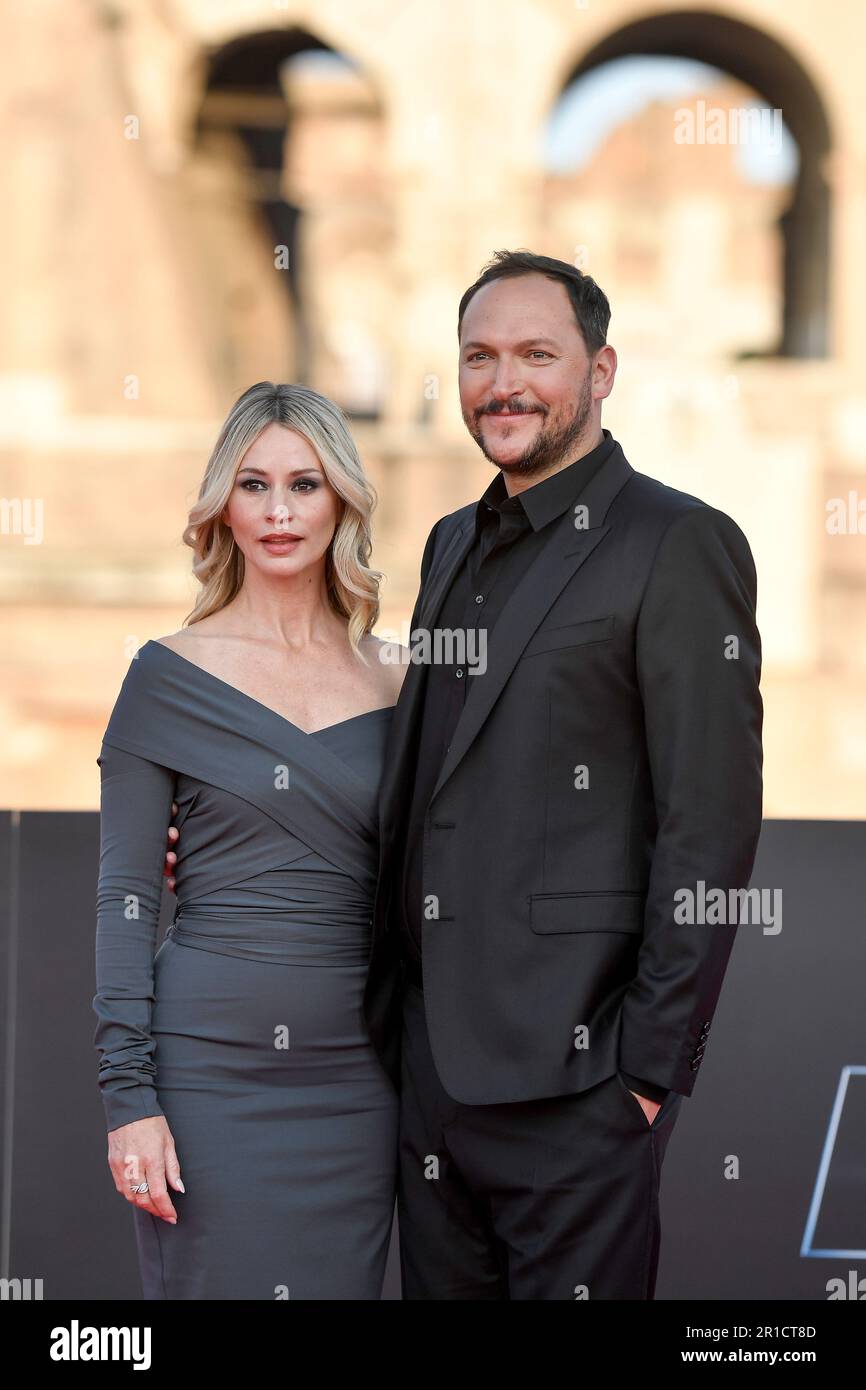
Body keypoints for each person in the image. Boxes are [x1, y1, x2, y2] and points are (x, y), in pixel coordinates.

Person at [362, 249, 764, 1299]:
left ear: (599, 370)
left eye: (536, 354)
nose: (503, 382)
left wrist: (641, 1074)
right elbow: (425, 779)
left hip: (577, 1084)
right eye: (478, 356)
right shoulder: (450, 543)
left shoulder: (677, 541)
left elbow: (707, 821)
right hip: (430, 1080)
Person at [93, 381, 403, 1299]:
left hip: (363, 1087)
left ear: (341, 497)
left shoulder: (401, 680)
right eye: (253, 484)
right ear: (220, 504)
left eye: (304, 485)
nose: (278, 511)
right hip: (209, 1082)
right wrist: (129, 1102)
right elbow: (124, 901)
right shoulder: (164, 677)